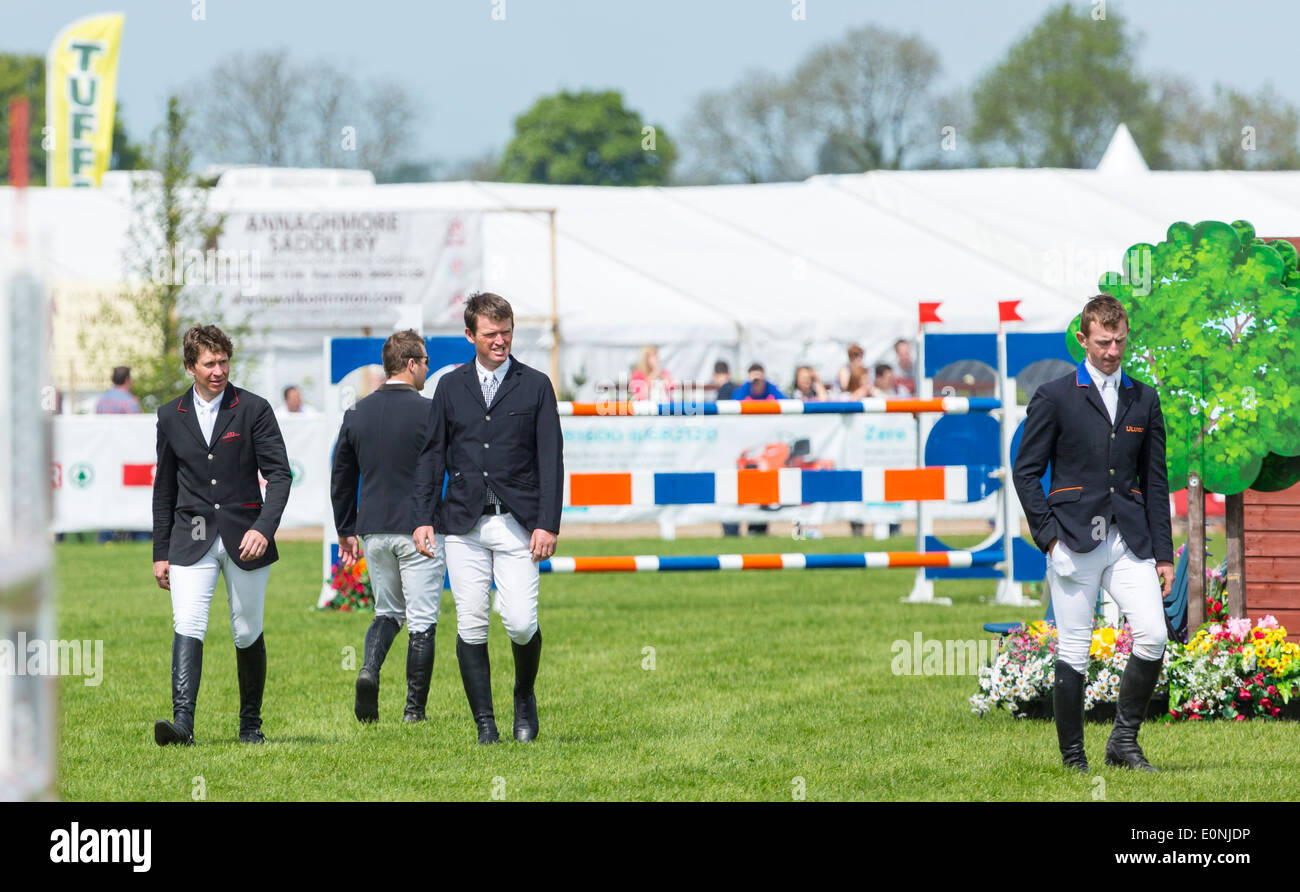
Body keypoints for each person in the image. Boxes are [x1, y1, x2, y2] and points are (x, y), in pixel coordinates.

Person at [1012, 294, 1174, 773]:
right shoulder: (1055, 396)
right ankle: (1073, 758)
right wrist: (1049, 538)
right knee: (1074, 649)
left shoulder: (1144, 398)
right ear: (1083, 339)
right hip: (1073, 540)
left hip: (1129, 540)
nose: (1113, 351)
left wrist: (1164, 555)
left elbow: (1156, 482)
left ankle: (1123, 743)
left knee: (1152, 635)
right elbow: (1025, 471)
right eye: (1103, 342)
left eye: (1120, 341)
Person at [413, 292, 563, 744]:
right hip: (462, 523)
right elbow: (431, 455)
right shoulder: (450, 386)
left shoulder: (536, 384)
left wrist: (548, 523)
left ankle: (524, 695)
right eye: (490, 333)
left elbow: (551, 459)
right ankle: (485, 725)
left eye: (506, 332)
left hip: (519, 522)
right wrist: (422, 517)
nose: (500, 340)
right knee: (471, 621)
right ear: (470, 336)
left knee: (519, 621)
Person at [151, 325, 291, 746]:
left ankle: (250, 725)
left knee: (246, 629)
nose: (218, 370)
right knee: (188, 621)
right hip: (189, 537)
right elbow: (165, 490)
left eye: (223, 361)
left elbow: (280, 475)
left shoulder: (254, 409)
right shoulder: (168, 416)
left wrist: (264, 529)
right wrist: (161, 552)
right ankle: (183, 726)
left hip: (246, 536)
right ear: (191, 366)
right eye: (209, 363)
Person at [331, 330, 447, 724]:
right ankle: (414, 711)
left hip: (374, 529)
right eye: (426, 362)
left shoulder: (356, 413)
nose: (428, 369)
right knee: (422, 620)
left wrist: (346, 528)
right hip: (419, 527)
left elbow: (341, 476)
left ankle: (369, 669)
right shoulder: (431, 411)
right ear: (411, 364)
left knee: (387, 613)